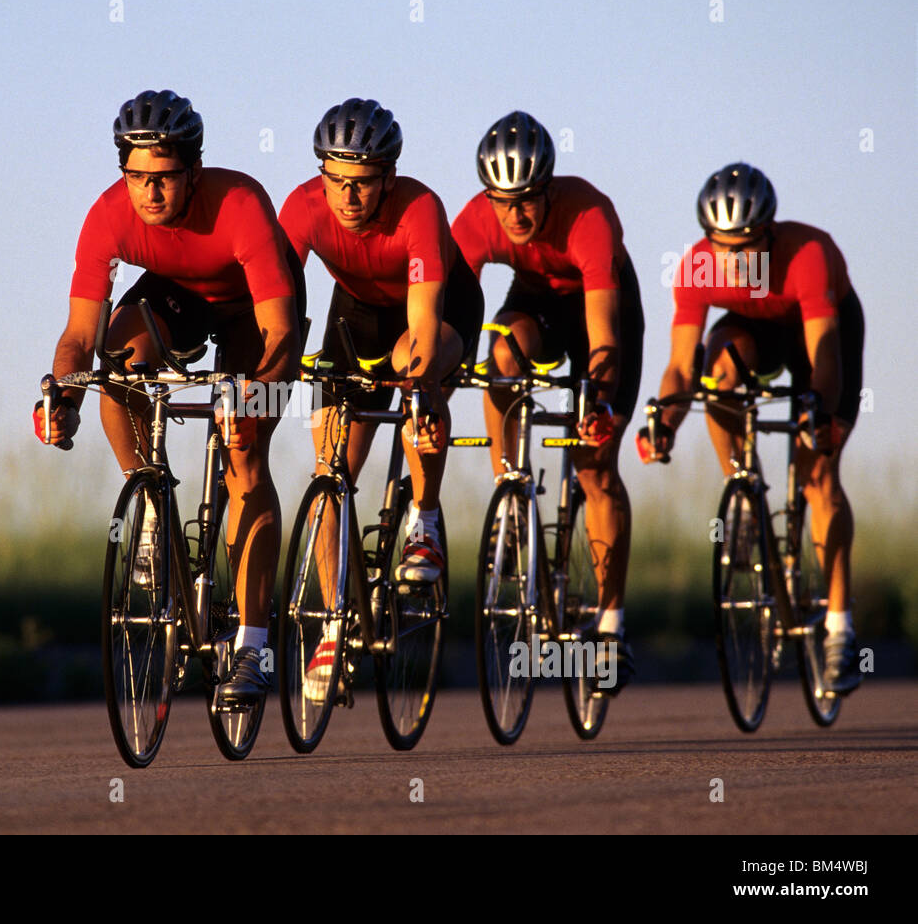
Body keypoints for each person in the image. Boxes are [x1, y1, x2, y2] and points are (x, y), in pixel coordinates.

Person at [37, 90, 304, 704]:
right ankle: (153, 510)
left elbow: (282, 334)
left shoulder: (238, 203)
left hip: (255, 313)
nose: (150, 192)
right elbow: (81, 335)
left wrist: (254, 393)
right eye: (136, 177)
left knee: (244, 453)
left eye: (164, 178)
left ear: (194, 169)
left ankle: (255, 647)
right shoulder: (108, 215)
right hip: (177, 294)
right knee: (117, 369)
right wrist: (64, 396)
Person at [278, 98, 483, 698]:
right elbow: (277, 304)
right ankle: (334, 625)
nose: (348, 197)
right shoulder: (302, 207)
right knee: (330, 470)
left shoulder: (418, 207)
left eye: (363, 184)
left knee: (409, 371)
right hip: (358, 312)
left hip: (437, 310)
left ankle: (425, 517)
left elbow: (421, 325)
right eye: (336, 181)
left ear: (388, 177)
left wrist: (418, 390)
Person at [640, 162, 865, 693]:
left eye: (745, 246)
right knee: (717, 372)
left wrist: (819, 415)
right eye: (722, 246)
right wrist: (665, 420)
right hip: (750, 332)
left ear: (768, 232)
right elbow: (680, 366)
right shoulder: (698, 266)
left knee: (819, 478)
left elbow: (825, 357)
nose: (734, 259)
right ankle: (742, 488)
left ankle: (839, 629)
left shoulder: (807, 254)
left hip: (819, 334)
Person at [451, 110, 643, 693]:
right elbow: (450, 310)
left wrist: (599, 405)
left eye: (528, 199)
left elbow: (605, 336)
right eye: (503, 201)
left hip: (599, 310)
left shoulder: (587, 215)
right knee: (499, 354)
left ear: (548, 188)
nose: (515, 214)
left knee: (595, 471)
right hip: (534, 300)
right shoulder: (478, 220)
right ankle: (510, 491)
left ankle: (610, 624)